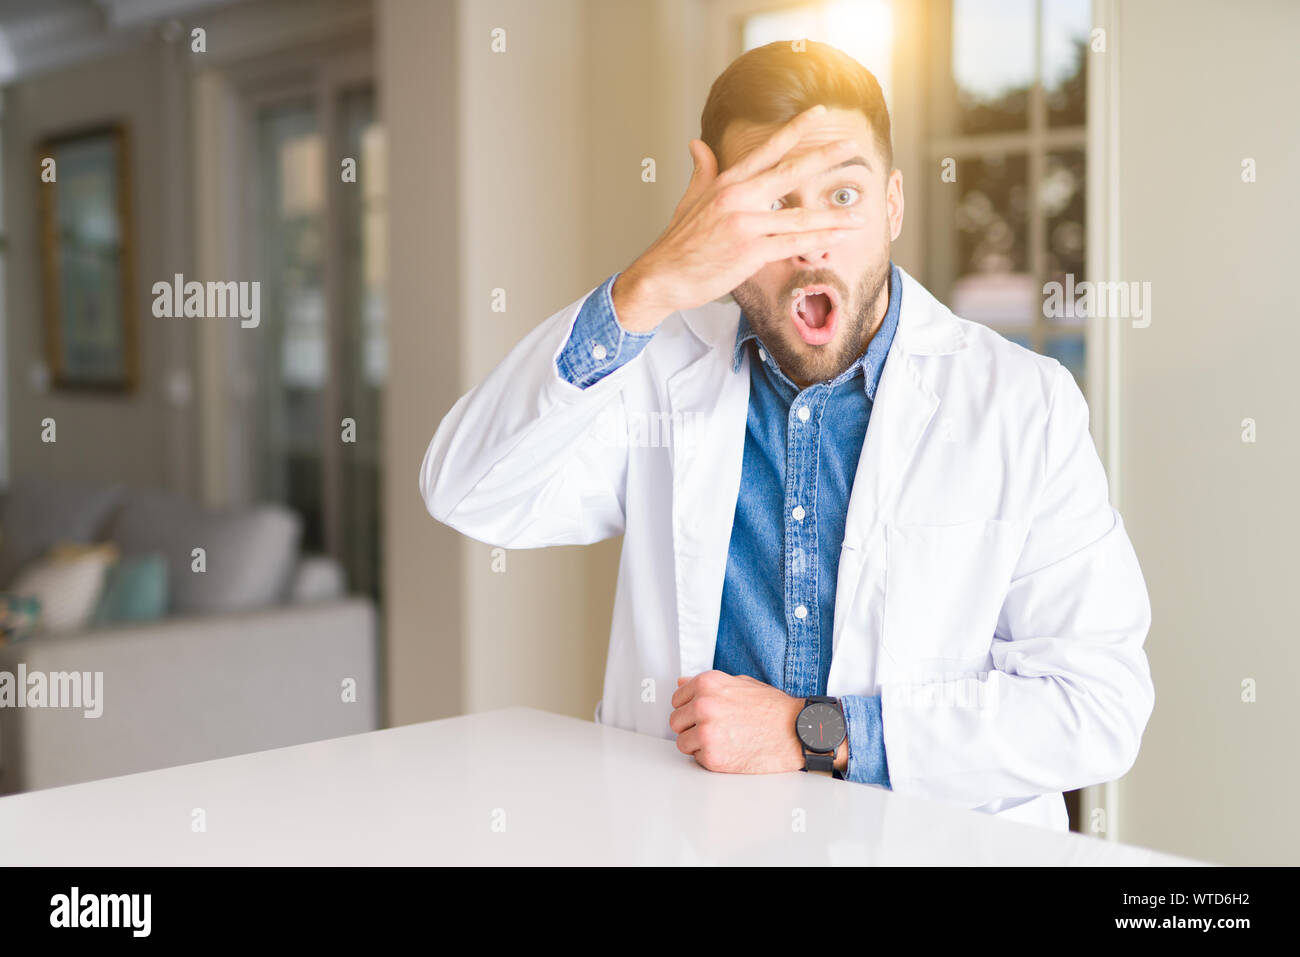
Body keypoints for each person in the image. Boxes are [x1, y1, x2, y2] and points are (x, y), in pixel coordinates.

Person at [420, 41, 1153, 831]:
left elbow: (1097, 705)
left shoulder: (1022, 406)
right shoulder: (656, 369)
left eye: (842, 195)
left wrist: (817, 732)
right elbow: (467, 488)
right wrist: (648, 285)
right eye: (772, 204)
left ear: (893, 207)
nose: (809, 241)